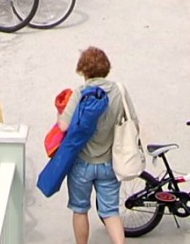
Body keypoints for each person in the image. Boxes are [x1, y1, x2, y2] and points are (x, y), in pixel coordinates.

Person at [55, 47, 131, 244]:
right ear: (107, 68)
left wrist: (59, 111)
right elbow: (133, 122)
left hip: (81, 163)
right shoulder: (118, 90)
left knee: (80, 210)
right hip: (109, 163)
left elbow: (63, 125)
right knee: (110, 212)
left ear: (83, 71)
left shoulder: (80, 93)